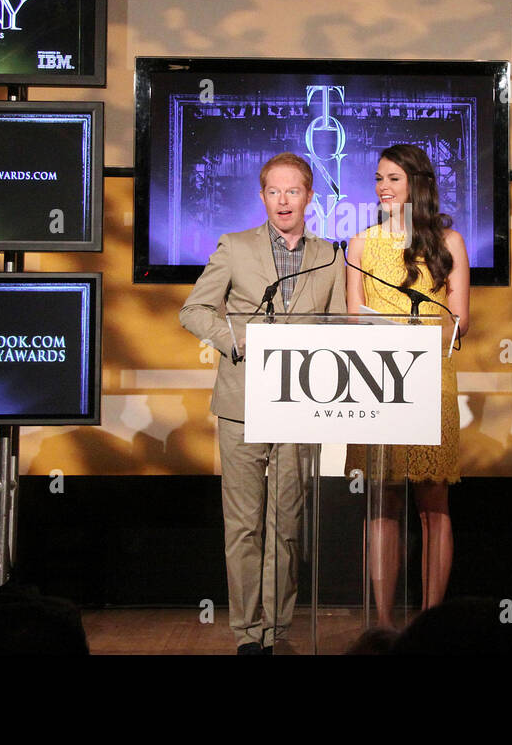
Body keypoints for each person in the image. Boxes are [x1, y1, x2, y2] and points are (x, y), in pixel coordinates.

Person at [179, 152, 347, 655]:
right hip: (242, 403)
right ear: (261, 197)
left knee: (287, 524)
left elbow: (339, 327)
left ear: (309, 196)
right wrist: (238, 338)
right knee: (244, 524)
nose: (283, 201)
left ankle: (277, 632)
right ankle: (248, 635)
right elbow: (194, 310)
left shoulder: (331, 256)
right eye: (273, 192)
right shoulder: (234, 247)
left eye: (292, 191)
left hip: (300, 406)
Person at [345, 144, 469, 630]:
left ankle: (430, 625)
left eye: (394, 179)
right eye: (379, 178)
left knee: (433, 506)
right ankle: (380, 625)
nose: (383, 188)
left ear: (417, 185)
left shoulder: (448, 243)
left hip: (432, 381)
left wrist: (416, 333)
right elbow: (354, 318)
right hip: (377, 384)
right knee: (383, 504)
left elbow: (461, 324)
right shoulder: (359, 246)